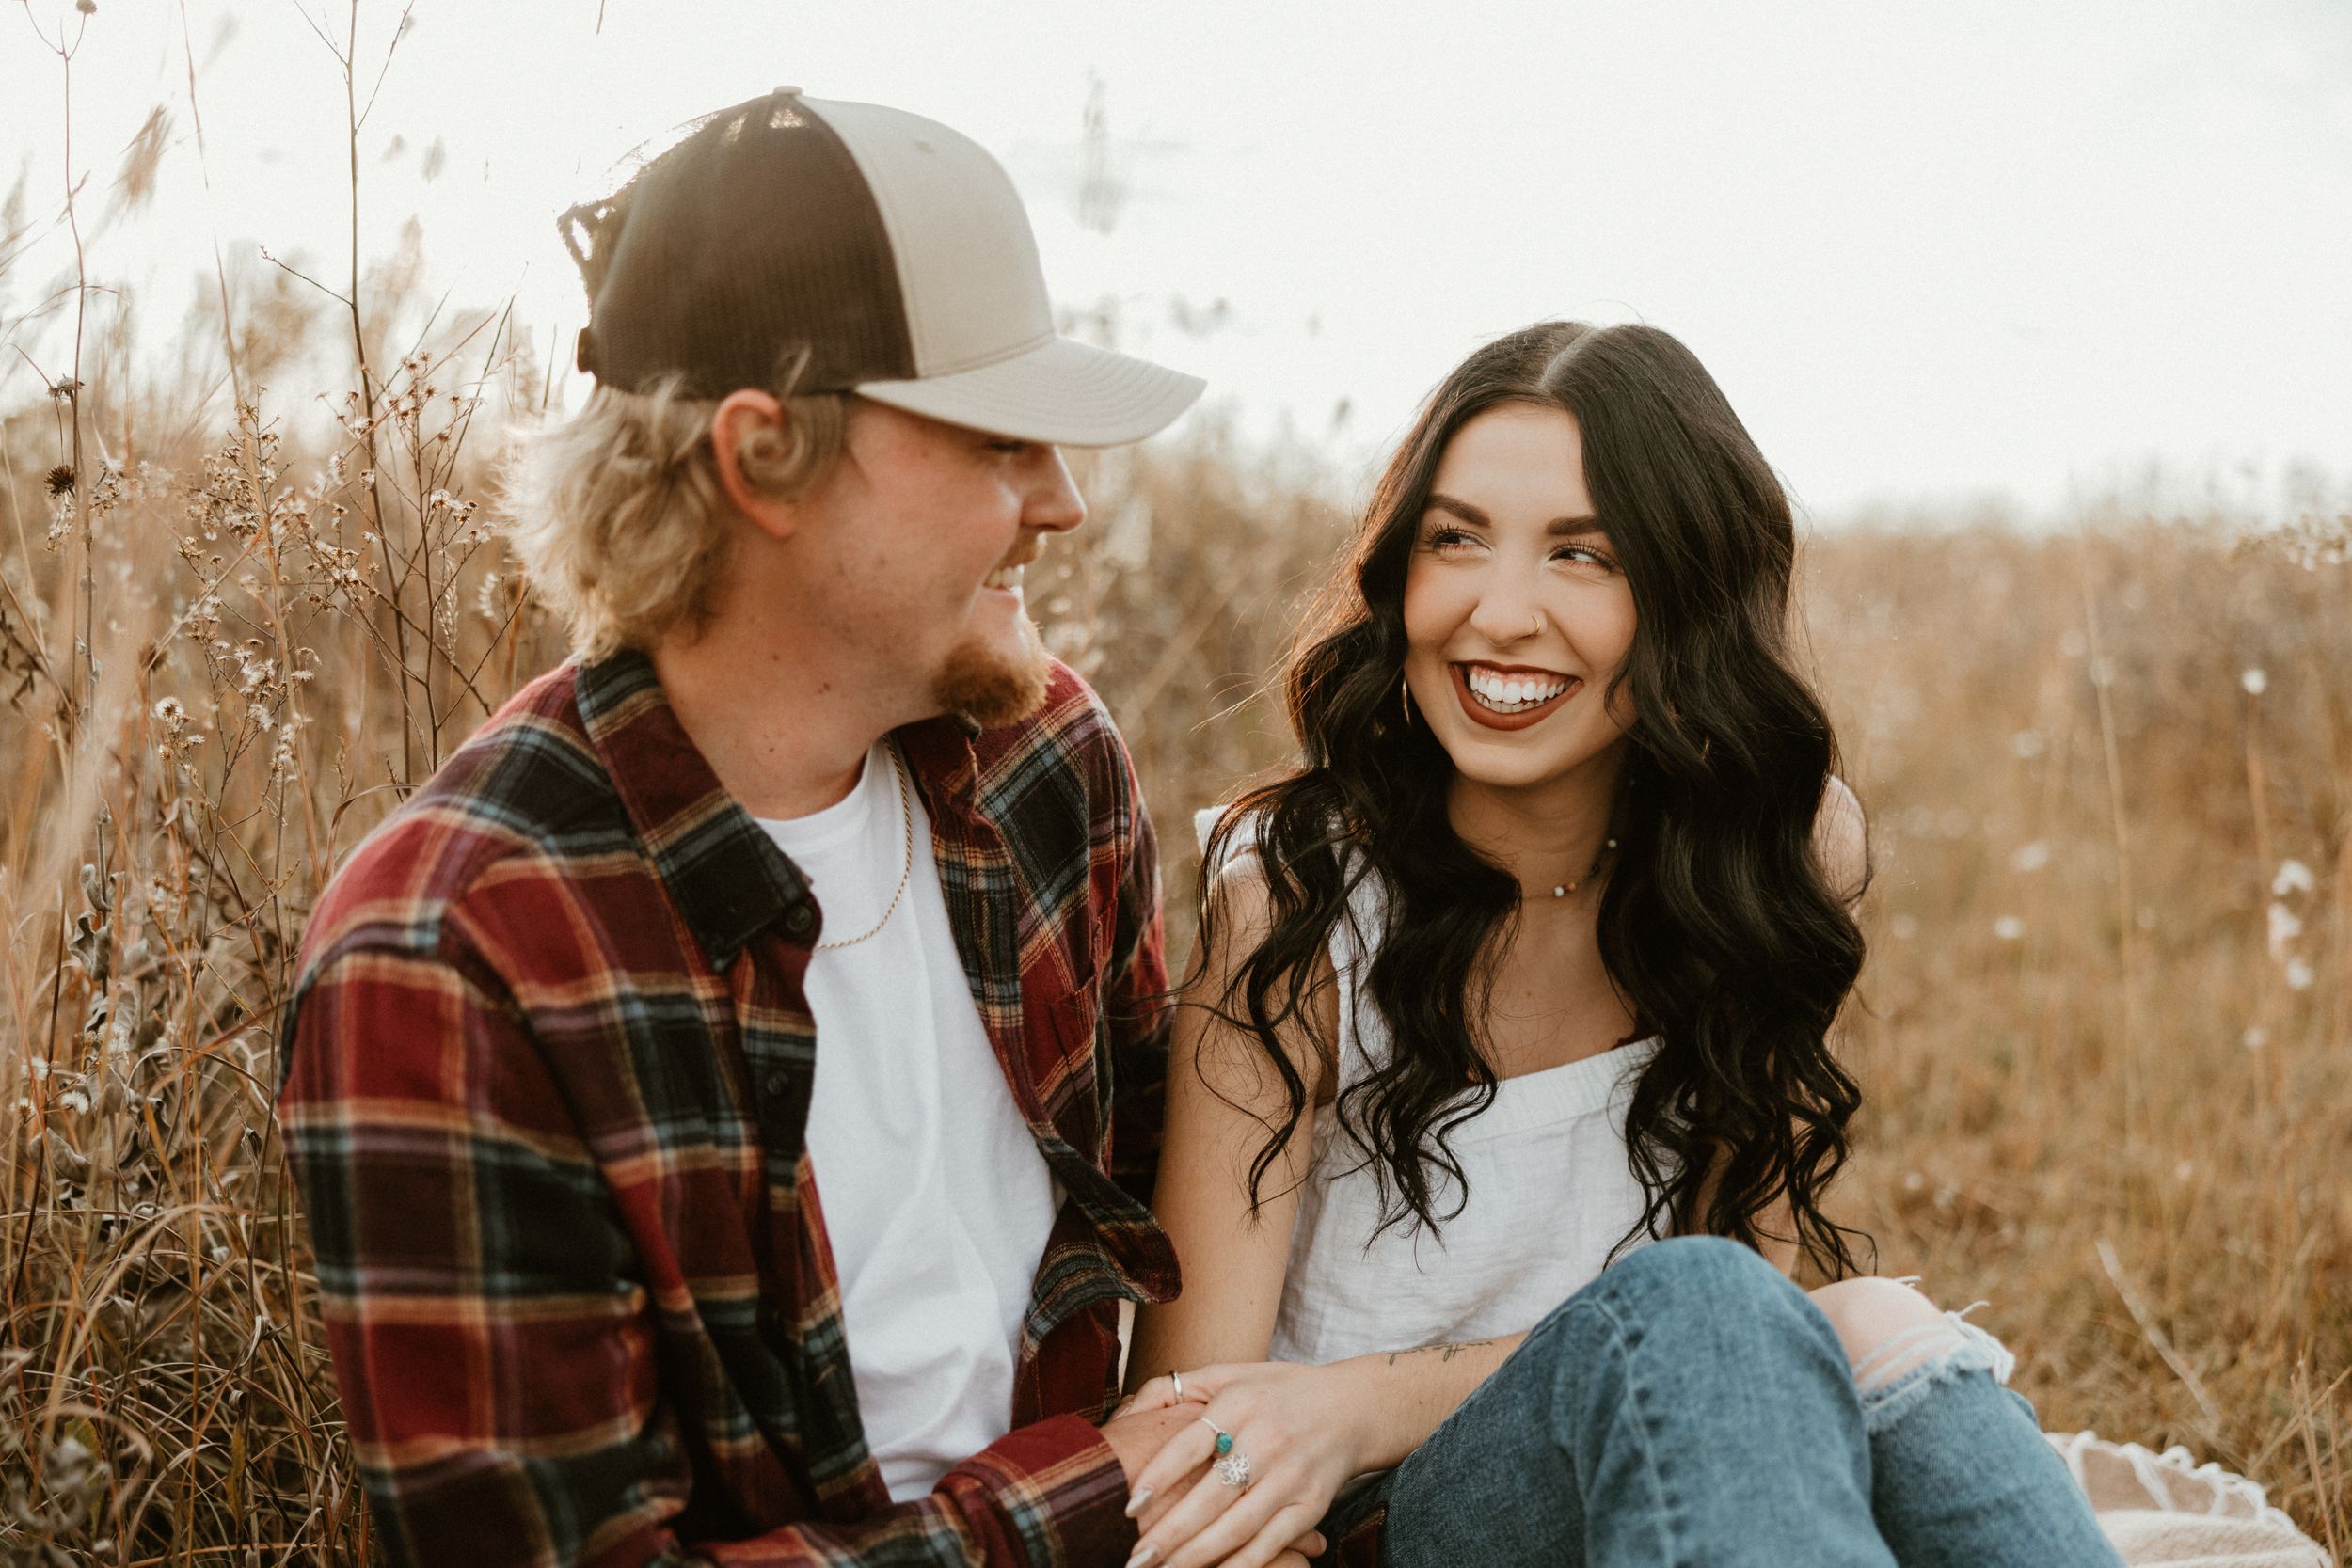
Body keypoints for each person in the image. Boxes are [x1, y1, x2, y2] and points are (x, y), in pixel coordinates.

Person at [276, 88, 1314, 1568]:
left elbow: (1184, 1225)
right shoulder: (454, 954)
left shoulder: (1040, 761)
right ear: (763, 453)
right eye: (1000, 438)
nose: (1064, 501)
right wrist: (1086, 1507)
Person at [1119, 322, 2127, 1568]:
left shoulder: (1773, 855)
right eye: (1455, 539)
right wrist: (1350, 1427)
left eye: (1581, 556)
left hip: (1668, 1477)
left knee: (1856, 1323)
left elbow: (1749, 1321)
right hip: (1373, 1525)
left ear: (1688, 595)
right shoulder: (1298, 896)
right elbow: (1183, 1428)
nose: (1499, 614)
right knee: (1735, 1313)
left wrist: (1372, 1392)